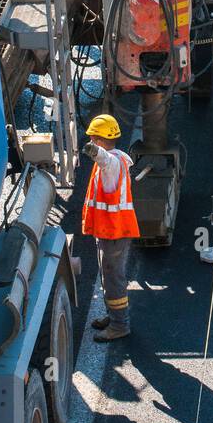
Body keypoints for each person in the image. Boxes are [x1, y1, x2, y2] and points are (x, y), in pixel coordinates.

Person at [81, 114, 140, 342]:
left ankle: (119, 324)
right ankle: (113, 314)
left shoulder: (111, 163)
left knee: (113, 279)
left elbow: (104, 160)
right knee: (108, 276)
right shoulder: (119, 159)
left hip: (114, 231)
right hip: (109, 230)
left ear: (98, 139)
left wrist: (95, 152)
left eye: (93, 139)